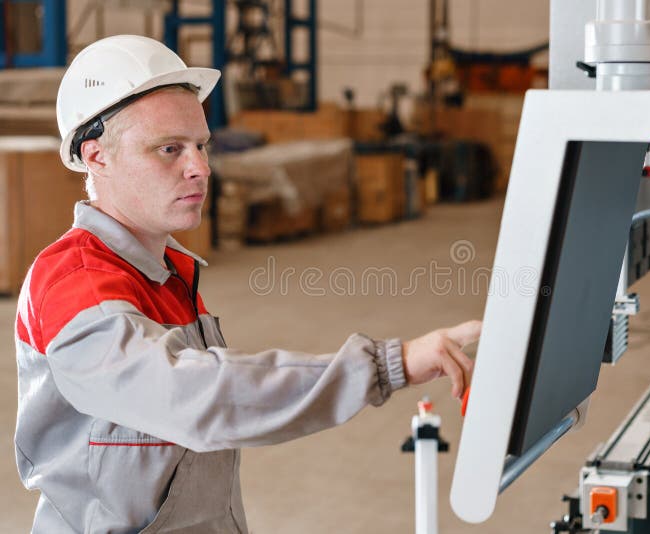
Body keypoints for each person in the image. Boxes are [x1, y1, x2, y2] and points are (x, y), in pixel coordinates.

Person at [14, 35, 481, 533]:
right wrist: (388, 366)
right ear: (96, 157)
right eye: (169, 149)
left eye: (200, 146)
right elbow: (197, 395)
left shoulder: (165, 272)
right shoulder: (76, 283)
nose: (199, 168)